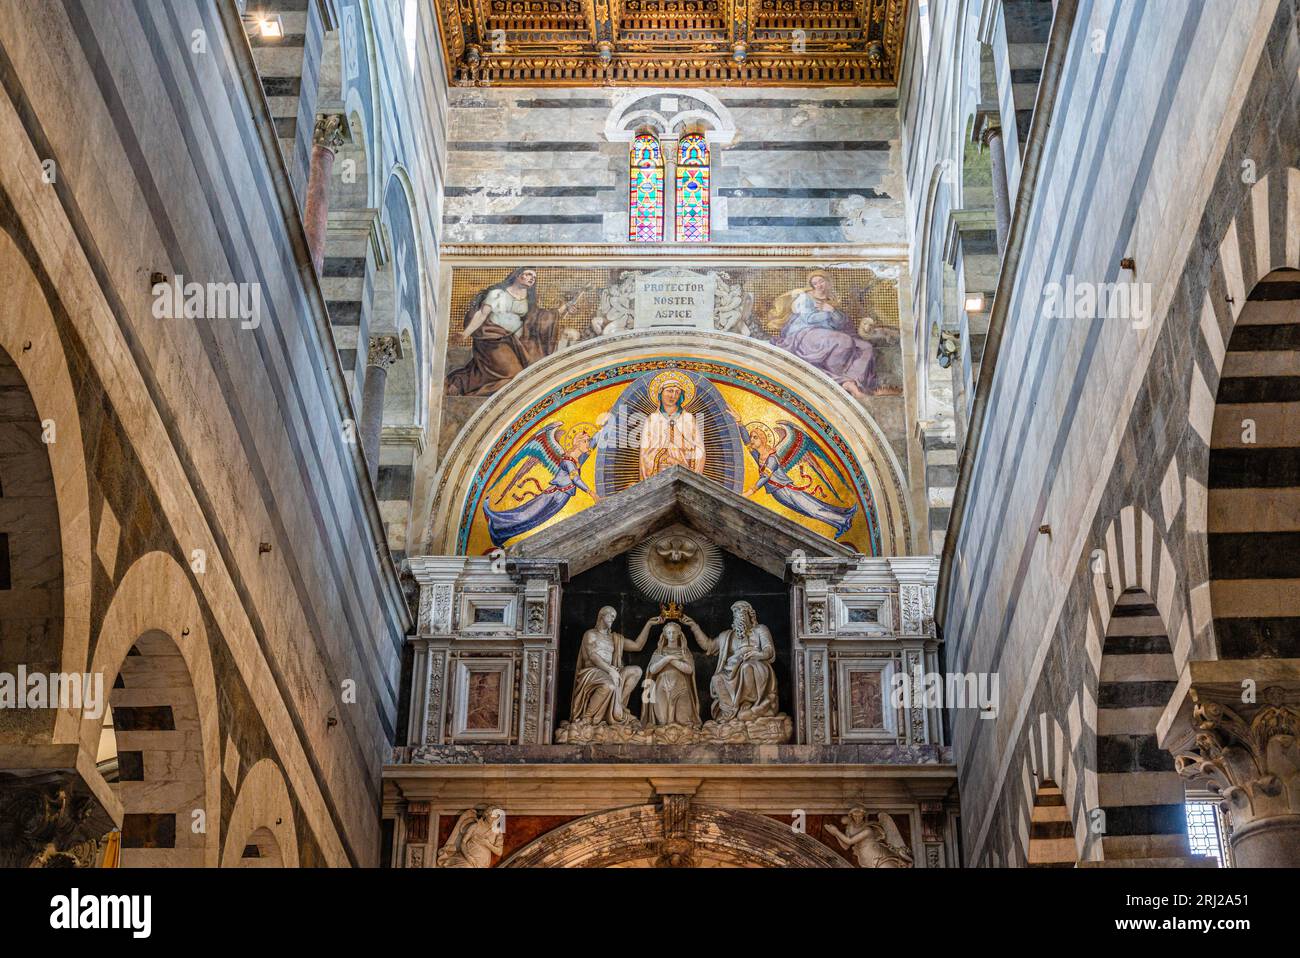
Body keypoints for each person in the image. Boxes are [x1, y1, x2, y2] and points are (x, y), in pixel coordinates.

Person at [447, 267, 580, 396]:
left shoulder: (528, 299)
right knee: (515, 376)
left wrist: (563, 309)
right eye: (528, 274)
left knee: (523, 375)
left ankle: (463, 383)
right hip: (492, 340)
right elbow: (481, 314)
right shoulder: (497, 293)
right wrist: (465, 334)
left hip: (514, 343)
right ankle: (465, 386)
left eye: (534, 277)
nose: (532, 278)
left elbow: (538, 318)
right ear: (517, 275)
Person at [769, 271, 877, 398]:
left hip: (828, 334)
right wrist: (828, 313)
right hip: (805, 334)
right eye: (815, 283)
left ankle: (853, 383)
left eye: (821, 281)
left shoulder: (832, 300)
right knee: (843, 341)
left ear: (828, 282)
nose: (819, 285)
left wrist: (832, 310)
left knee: (866, 347)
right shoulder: (806, 297)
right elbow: (808, 318)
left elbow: (841, 322)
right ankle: (839, 383)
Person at [681, 601, 779, 722]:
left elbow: (768, 650)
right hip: (731, 670)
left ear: (750, 615)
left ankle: (748, 702)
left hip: (756, 665)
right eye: (736, 615)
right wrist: (694, 627)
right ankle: (729, 712)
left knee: (746, 667)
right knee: (717, 679)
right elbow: (708, 646)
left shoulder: (760, 630)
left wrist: (756, 654)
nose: (740, 617)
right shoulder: (727, 636)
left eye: (743, 613)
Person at [570, 608, 661, 725]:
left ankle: (618, 705)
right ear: (601, 616)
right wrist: (610, 670)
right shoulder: (590, 634)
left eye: (614, 616)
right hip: (592, 671)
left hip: (611, 670)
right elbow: (593, 657)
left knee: (636, 671)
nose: (613, 618)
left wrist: (649, 625)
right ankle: (587, 717)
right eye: (611, 615)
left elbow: (637, 646)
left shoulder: (614, 638)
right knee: (609, 685)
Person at [639, 369, 706, 479]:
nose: (673, 395)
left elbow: (700, 451)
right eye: (670, 391)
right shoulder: (652, 420)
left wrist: (680, 441)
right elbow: (644, 454)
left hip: (684, 471)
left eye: (677, 392)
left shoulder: (689, 419)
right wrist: (665, 458)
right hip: (659, 473)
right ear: (661, 393)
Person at [641, 621, 701, 727]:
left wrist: (671, 660)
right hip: (662, 686)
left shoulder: (684, 652)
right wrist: (668, 658)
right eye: (669, 633)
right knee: (663, 721)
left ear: (679, 634)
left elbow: (689, 670)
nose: (671, 635)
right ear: (665, 635)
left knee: (682, 720)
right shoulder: (659, 652)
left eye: (674, 632)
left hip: (680, 687)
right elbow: (652, 670)